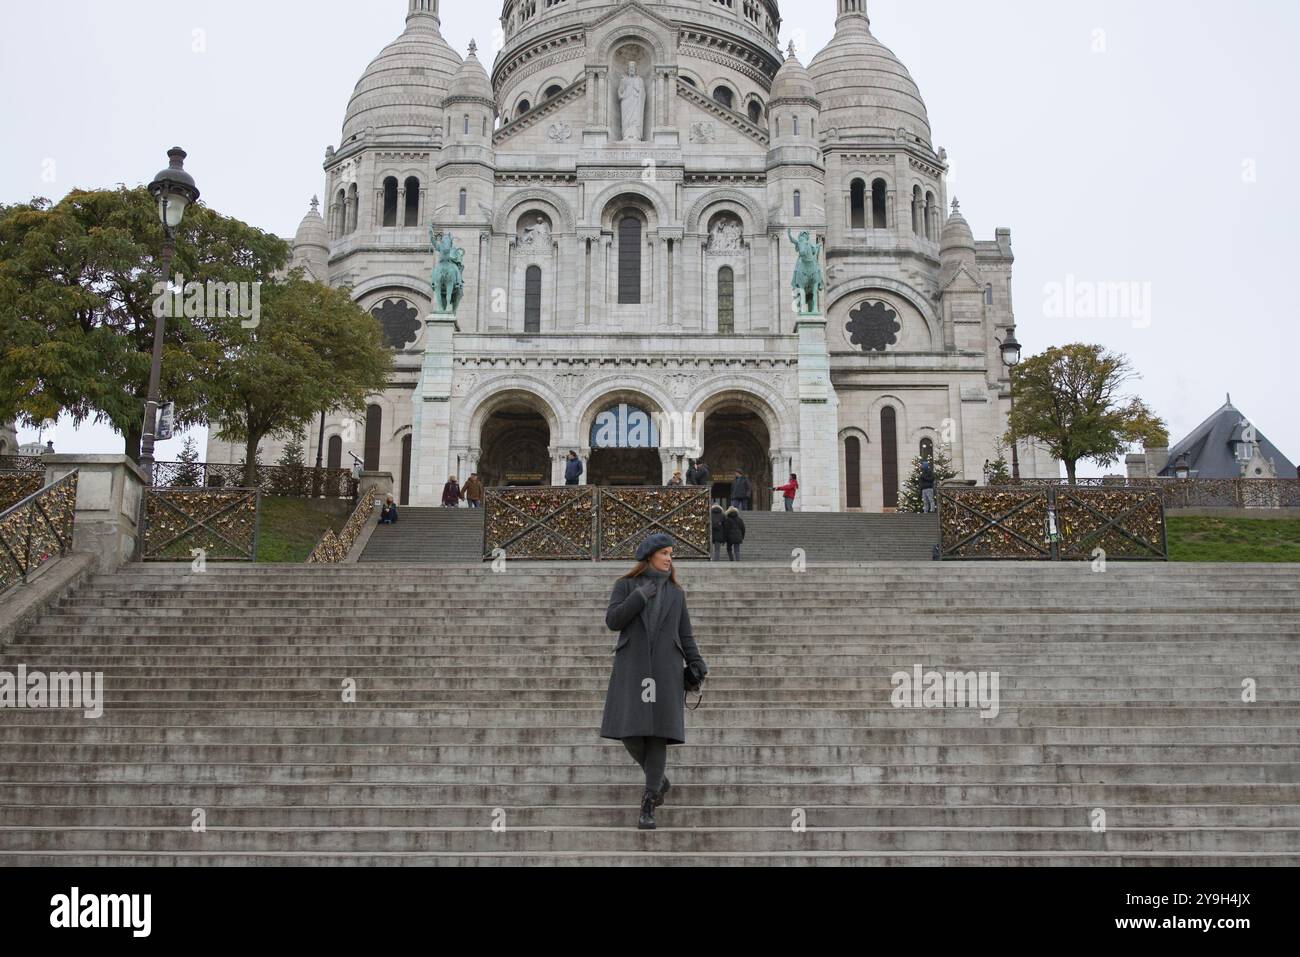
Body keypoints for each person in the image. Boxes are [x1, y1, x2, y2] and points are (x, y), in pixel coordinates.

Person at [600, 533, 708, 830]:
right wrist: (638, 597)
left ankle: (649, 801)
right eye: (665, 553)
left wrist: (697, 663)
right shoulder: (626, 585)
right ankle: (658, 779)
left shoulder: (676, 593)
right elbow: (613, 621)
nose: (670, 558)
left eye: (671, 553)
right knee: (631, 732)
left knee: (658, 734)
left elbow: (685, 633)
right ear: (650, 556)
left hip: (665, 669)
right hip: (633, 668)